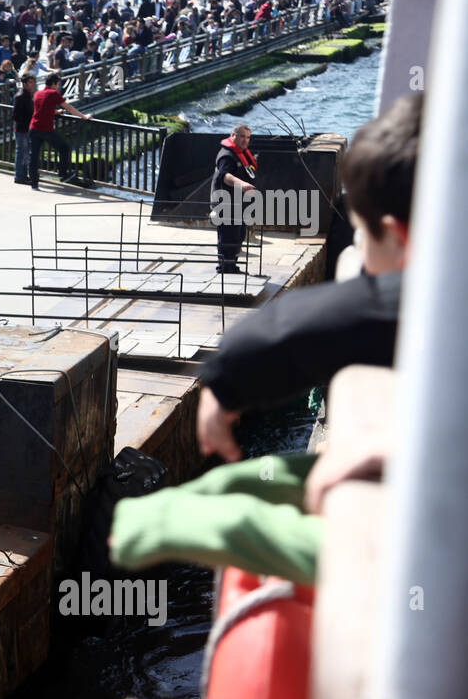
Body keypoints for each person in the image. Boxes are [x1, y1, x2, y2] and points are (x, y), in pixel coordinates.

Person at [109, 93, 422, 584]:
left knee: (271, 519)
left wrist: (225, 379)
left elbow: (335, 319)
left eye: (363, 236)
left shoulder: (422, 297)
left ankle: (150, 527)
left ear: (400, 235)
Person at [27, 72, 92, 189]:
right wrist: (83, 116)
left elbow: (42, 108)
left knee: (34, 156)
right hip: (45, 129)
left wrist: (56, 112)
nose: (58, 86)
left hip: (33, 128)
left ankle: (34, 183)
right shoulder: (53, 93)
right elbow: (69, 107)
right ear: (54, 83)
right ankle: (63, 174)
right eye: (58, 84)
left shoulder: (38, 93)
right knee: (64, 148)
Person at [209, 123, 257, 273]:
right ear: (233, 135)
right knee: (228, 238)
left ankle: (232, 266)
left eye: (248, 137)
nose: (245, 140)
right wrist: (241, 184)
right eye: (242, 136)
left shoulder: (241, 153)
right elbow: (225, 176)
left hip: (239, 204)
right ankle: (224, 267)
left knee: (239, 235)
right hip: (226, 203)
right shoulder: (227, 155)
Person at [12, 73, 36, 185]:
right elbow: (16, 116)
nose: (33, 84)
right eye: (30, 82)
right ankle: (19, 176)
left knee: (25, 153)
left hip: (26, 129)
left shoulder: (28, 95)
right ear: (25, 83)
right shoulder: (20, 96)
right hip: (22, 129)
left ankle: (23, 175)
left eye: (33, 82)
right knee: (21, 152)